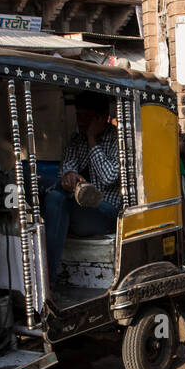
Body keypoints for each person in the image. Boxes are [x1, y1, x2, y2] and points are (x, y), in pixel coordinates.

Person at [43, 92, 122, 284]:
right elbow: (65, 170)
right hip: (78, 208)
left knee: (57, 199)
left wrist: (92, 139)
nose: (80, 121)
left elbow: (109, 176)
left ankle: (49, 281)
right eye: (78, 116)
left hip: (108, 212)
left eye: (86, 117)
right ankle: (47, 281)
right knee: (54, 195)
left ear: (101, 117)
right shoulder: (75, 141)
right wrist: (70, 178)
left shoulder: (116, 140)